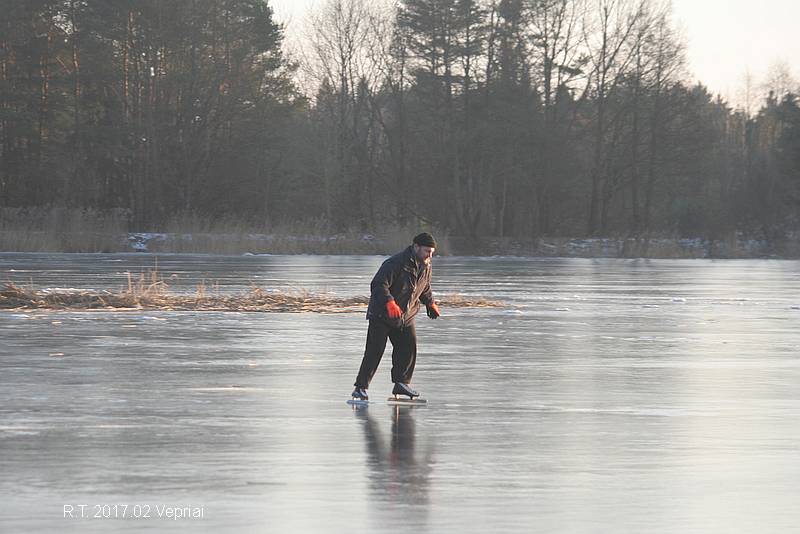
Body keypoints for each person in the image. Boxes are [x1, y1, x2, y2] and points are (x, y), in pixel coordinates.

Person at [351, 232, 441, 400]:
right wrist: (389, 302)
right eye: (426, 251)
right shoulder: (396, 262)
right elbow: (378, 283)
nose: (429, 255)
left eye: (431, 252)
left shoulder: (426, 265)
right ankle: (360, 388)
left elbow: (424, 286)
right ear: (416, 247)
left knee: (408, 347)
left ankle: (401, 384)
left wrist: (430, 302)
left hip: (404, 316)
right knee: (374, 351)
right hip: (382, 314)